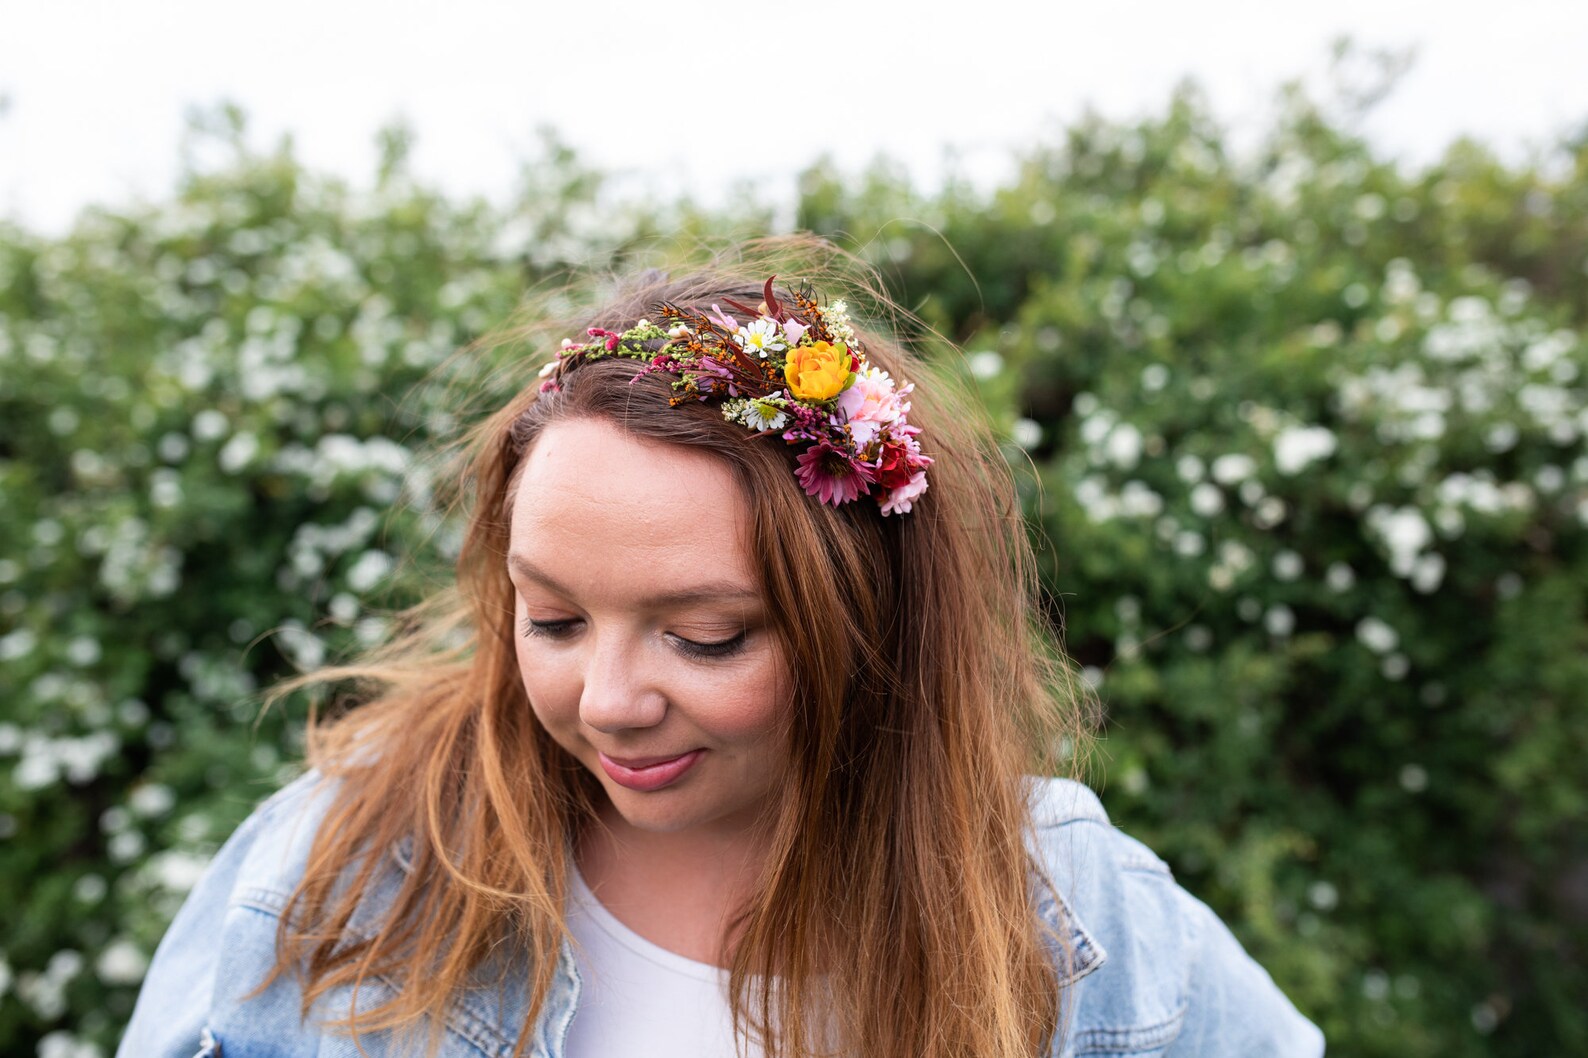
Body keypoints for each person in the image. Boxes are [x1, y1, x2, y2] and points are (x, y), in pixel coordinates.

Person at [116, 236, 1325, 1057]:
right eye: (552, 618)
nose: (608, 700)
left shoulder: (1070, 909)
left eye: (704, 636)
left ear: (865, 621)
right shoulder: (345, 862)